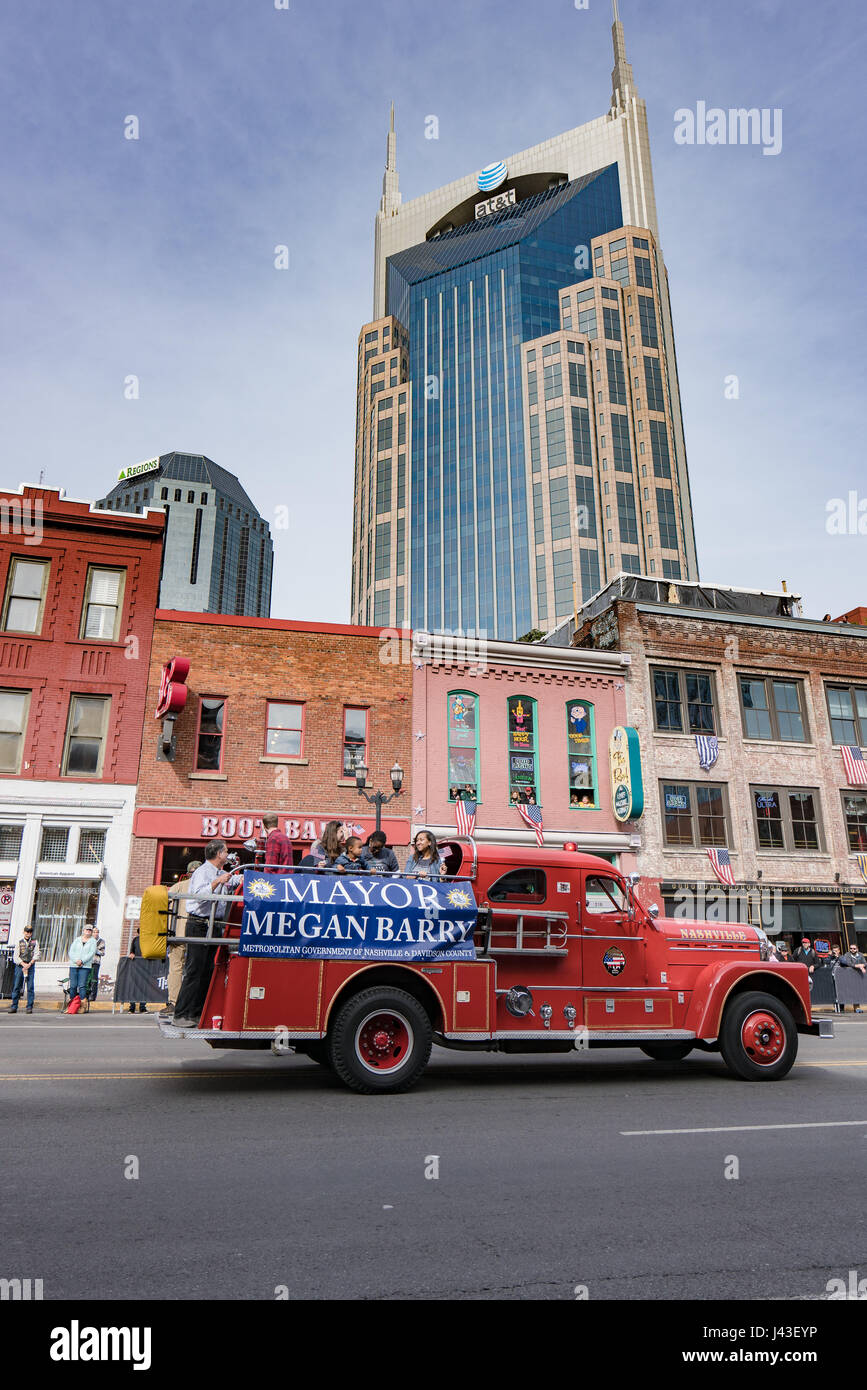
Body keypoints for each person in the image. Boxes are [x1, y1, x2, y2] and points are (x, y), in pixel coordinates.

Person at [172, 840, 239, 1029]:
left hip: (213, 925)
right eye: (226, 851)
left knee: (208, 970)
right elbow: (199, 895)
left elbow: (232, 881)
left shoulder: (218, 872)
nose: (228, 854)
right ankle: (182, 1013)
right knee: (195, 970)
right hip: (200, 924)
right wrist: (218, 882)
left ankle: (197, 1012)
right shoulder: (203, 872)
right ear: (218, 854)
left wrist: (240, 877)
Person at [162, 859, 201, 1021]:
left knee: (176, 969)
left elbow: (165, 908)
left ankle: (174, 1002)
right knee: (196, 970)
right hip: (197, 934)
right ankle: (194, 1003)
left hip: (178, 934)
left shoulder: (177, 887)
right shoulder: (204, 887)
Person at [6, 924, 39, 1014]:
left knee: (30, 987)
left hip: (30, 966)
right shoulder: (19, 942)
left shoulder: (35, 942)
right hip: (20, 966)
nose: (28, 934)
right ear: (24, 932)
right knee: (17, 986)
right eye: (27, 932)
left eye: (30, 932)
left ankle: (29, 1007)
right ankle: (14, 1006)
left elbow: (37, 954)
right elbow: (15, 957)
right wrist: (23, 964)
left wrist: (30, 963)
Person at [67, 925, 96, 1011]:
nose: (88, 931)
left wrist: (82, 961)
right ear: (83, 930)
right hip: (74, 964)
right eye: (87, 930)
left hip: (85, 966)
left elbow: (91, 953)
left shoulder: (93, 941)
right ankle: (72, 1005)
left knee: (82, 985)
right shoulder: (77, 940)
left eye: (90, 930)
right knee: (73, 985)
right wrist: (76, 960)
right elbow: (71, 952)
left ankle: (82, 1006)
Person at [836, 942, 867, 1013]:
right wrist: (858, 966)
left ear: (857, 949)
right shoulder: (847, 955)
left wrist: (862, 965)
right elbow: (848, 963)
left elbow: (865, 963)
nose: (852, 950)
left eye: (854, 948)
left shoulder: (860, 955)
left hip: (858, 976)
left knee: (856, 991)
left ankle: (857, 1007)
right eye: (851, 948)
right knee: (845, 991)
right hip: (848, 976)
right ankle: (841, 1008)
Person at [88, 926, 106, 1003]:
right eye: (94, 932)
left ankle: (93, 995)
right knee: (87, 979)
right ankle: (86, 995)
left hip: (96, 962)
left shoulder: (101, 941)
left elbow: (102, 952)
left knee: (94, 979)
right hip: (88, 962)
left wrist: (95, 949)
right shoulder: (88, 940)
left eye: (97, 932)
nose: (96, 933)